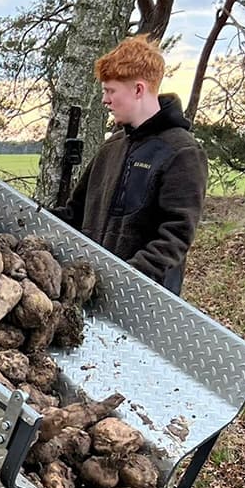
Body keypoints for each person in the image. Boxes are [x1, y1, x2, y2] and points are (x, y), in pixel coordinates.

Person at [57, 34, 207, 295]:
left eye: (110, 91)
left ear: (138, 89)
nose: (105, 100)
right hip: (91, 293)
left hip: (144, 301)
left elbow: (176, 235)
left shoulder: (182, 152)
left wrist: (127, 279)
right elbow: (75, 214)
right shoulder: (111, 147)